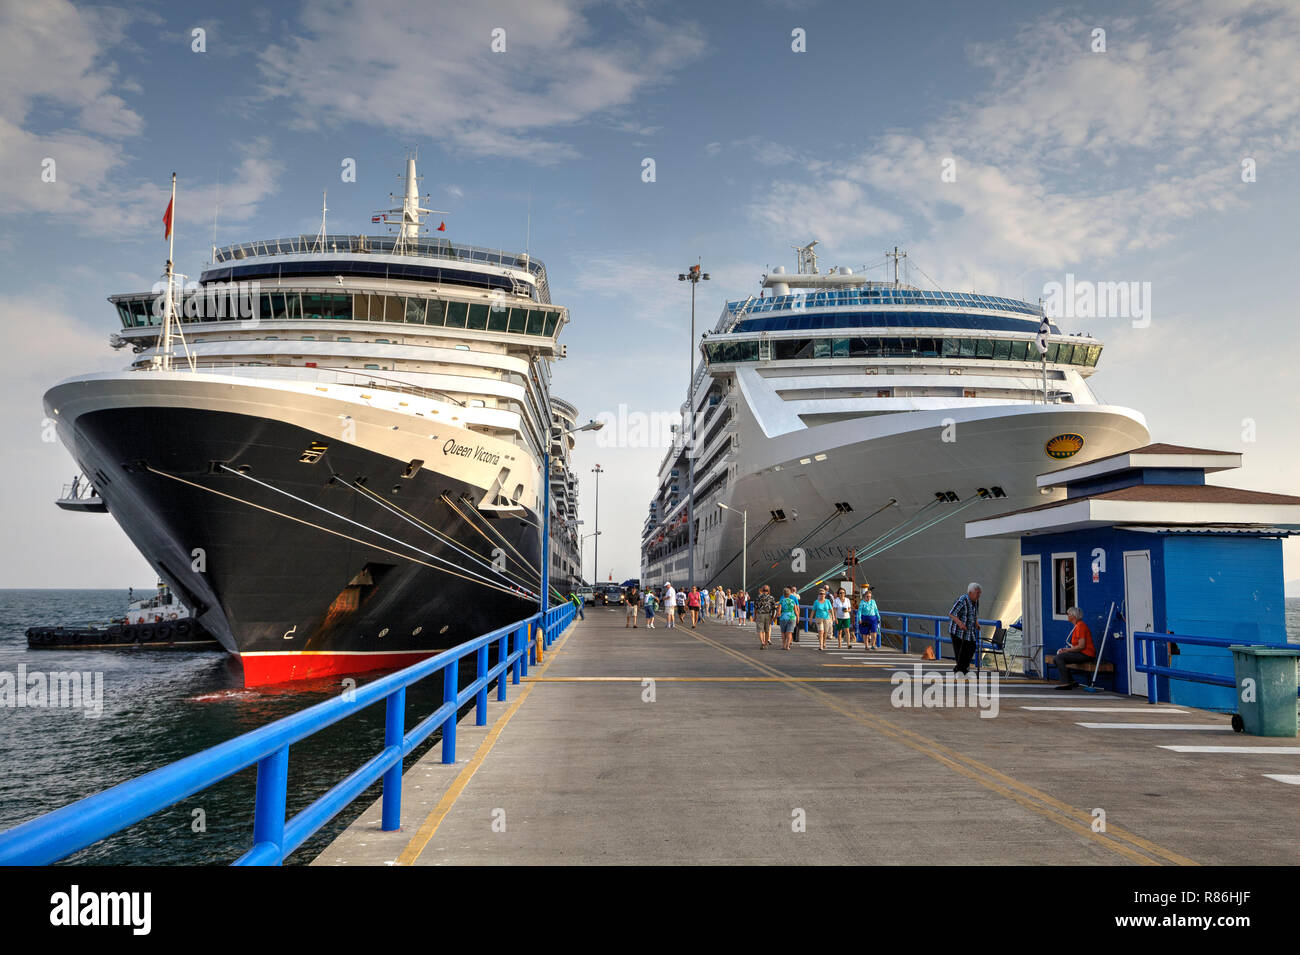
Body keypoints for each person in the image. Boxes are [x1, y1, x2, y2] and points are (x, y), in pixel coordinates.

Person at [1054, 606, 1096, 690]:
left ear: (1073, 616)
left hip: (1086, 654)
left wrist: (1067, 650)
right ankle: (1071, 681)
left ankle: (1066, 683)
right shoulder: (1077, 626)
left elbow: (1081, 646)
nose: (1067, 616)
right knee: (1057, 658)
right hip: (1080, 653)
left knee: (1059, 658)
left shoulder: (1081, 626)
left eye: (1068, 614)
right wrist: (1066, 650)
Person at [947, 582, 982, 674]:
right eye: (977, 593)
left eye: (979, 593)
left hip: (969, 631)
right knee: (960, 652)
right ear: (970, 593)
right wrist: (960, 623)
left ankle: (960, 669)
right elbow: (952, 613)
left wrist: (976, 623)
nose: (979, 595)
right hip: (957, 630)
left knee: (972, 647)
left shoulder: (976, 601)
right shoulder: (962, 600)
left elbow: (974, 613)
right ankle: (961, 670)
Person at [754, 585, 777, 649]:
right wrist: (773, 617)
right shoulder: (771, 598)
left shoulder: (758, 597)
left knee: (760, 630)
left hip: (760, 614)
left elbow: (755, 607)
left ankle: (762, 642)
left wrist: (754, 616)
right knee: (767, 630)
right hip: (768, 614)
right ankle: (766, 644)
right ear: (768, 591)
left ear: (762, 590)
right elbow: (773, 608)